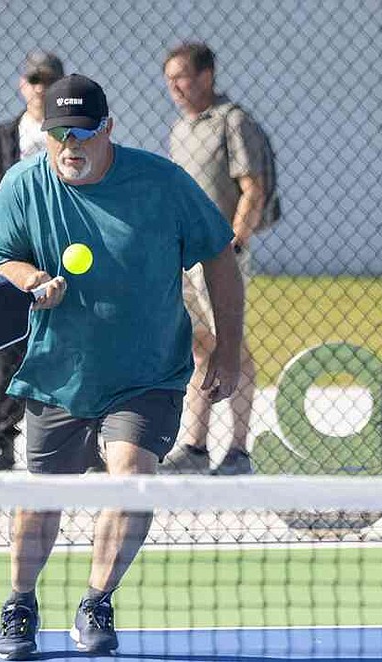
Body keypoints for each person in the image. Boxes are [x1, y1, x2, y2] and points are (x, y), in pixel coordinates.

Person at [0, 74, 244, 658]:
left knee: (132, 479)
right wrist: (29, 280)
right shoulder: (25, 184)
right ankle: (20, 601)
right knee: (43, 496)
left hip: (146, 373)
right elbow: (0, 258)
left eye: (82, 132)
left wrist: (227, 349)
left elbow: (220, 254)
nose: (70, 145)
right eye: (58, 134)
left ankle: (97, 599)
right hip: (60, 372)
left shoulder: (162, 183)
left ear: (108, 129)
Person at [162, 42, 262, 475]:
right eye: (169, 79)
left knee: (231, 345)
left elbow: (252, 189)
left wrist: (234, 243)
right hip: (184, 257)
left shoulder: (232, 122)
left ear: (207, 75)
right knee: (200, 348)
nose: (175, 87)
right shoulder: (181, 128)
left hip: (220, 257)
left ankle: (239, 449)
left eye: (182, 76)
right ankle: (196, 446)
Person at [0, 50, 64, 472]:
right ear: (22, 84)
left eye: (49, 80)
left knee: (70, 345)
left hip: (61, 252)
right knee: (10, 349)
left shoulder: (71, 135)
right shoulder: (5, 137)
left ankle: (78, 435)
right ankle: (1, 440)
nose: (41, 87)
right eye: (34, 79)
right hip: (14, 254)